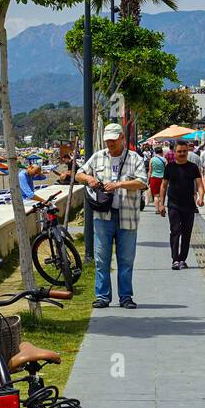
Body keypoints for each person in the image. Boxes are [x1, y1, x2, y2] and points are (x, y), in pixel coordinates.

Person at [75, 123, 148, 308]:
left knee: (126, 259)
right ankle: (102, 296)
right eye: (108, 141)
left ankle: (125, 296)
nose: (110, 144)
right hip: (103, 217)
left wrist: (119, 185)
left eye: (113, 141)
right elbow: (78, 174)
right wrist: (89, 178)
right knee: (101, 259)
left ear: (122, 138)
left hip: (128, 215)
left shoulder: (135, 159)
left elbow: (142, 182)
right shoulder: (98, 157)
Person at [156, 139, 204, 269]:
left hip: (189, 205)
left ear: (187, 152)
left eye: (184, 151)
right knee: (175, 231)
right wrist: (161, 204)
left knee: (187, 233)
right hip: (173, 205)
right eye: (179, 151)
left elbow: (199, 184)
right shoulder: (170, 167)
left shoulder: (193, 167)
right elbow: (163, 186)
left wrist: (201, 197)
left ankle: (183, 258)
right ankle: (175, 259)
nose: (182, 154)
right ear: (175, 152)